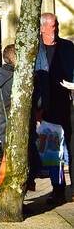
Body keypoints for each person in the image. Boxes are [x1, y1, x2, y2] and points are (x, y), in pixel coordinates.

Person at [31, 12, 74, 204]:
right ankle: (58, 191)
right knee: (52, 152)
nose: (56, 29)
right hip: (45, 108)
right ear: (42, 28)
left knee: (71, 148)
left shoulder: (68, 47)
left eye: (56, 25)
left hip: (68, 104)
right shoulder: (35, 49)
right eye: (52, 26)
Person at [0, 44, 16, 149]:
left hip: (4, 122)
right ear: (13, 58)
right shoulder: (13, 78)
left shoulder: (3, 74)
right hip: (13, 124)